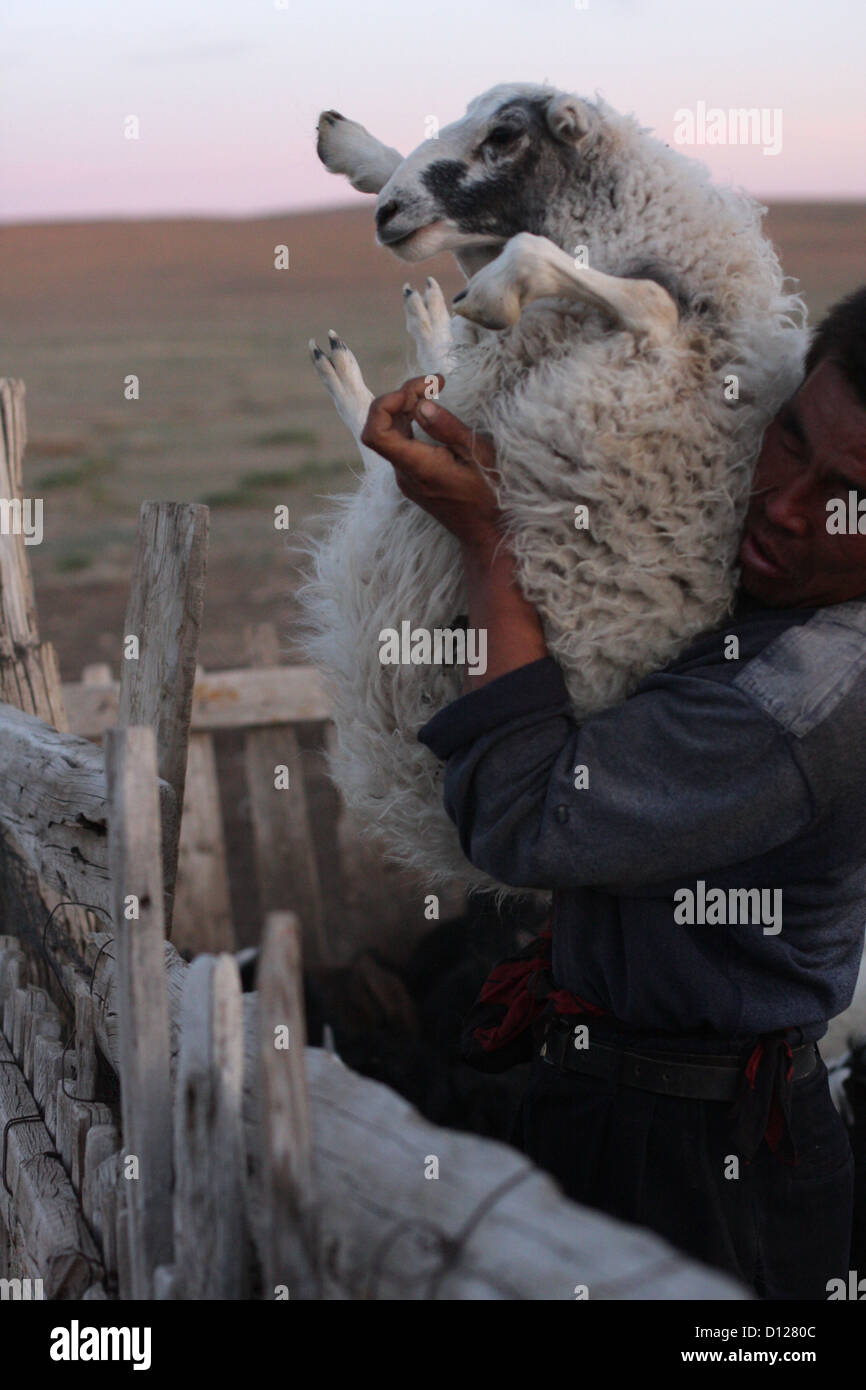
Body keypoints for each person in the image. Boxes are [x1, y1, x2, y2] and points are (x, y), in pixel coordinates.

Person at [358, 287, 866, 1300]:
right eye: (787, 441)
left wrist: (493, 548)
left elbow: (518, 815)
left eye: (846, 494)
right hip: (634, 1106)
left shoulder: (799, 698)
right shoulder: (774, 618)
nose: (779, 503)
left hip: (699, 1159)